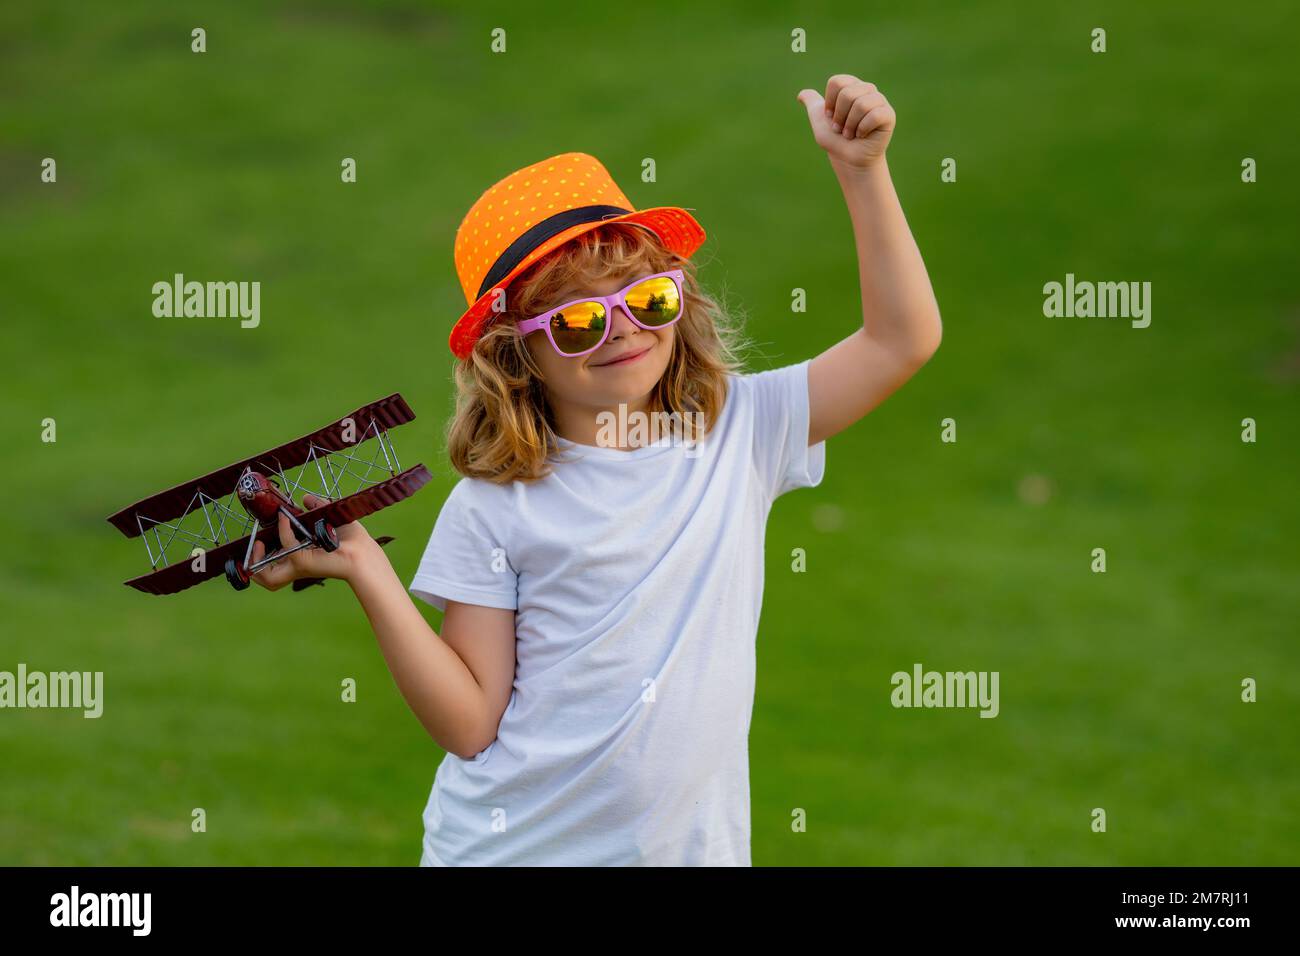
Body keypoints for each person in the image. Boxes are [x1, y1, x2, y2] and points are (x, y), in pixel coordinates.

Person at [249, 74, 942, 865]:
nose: (621, 330)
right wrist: (366, 569)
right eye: (577, 319)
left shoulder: (740, 430)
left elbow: (901, 340)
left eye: (647, 299)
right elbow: (470, 725)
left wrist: (862, 170)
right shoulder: (496, 505)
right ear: (516, 354)